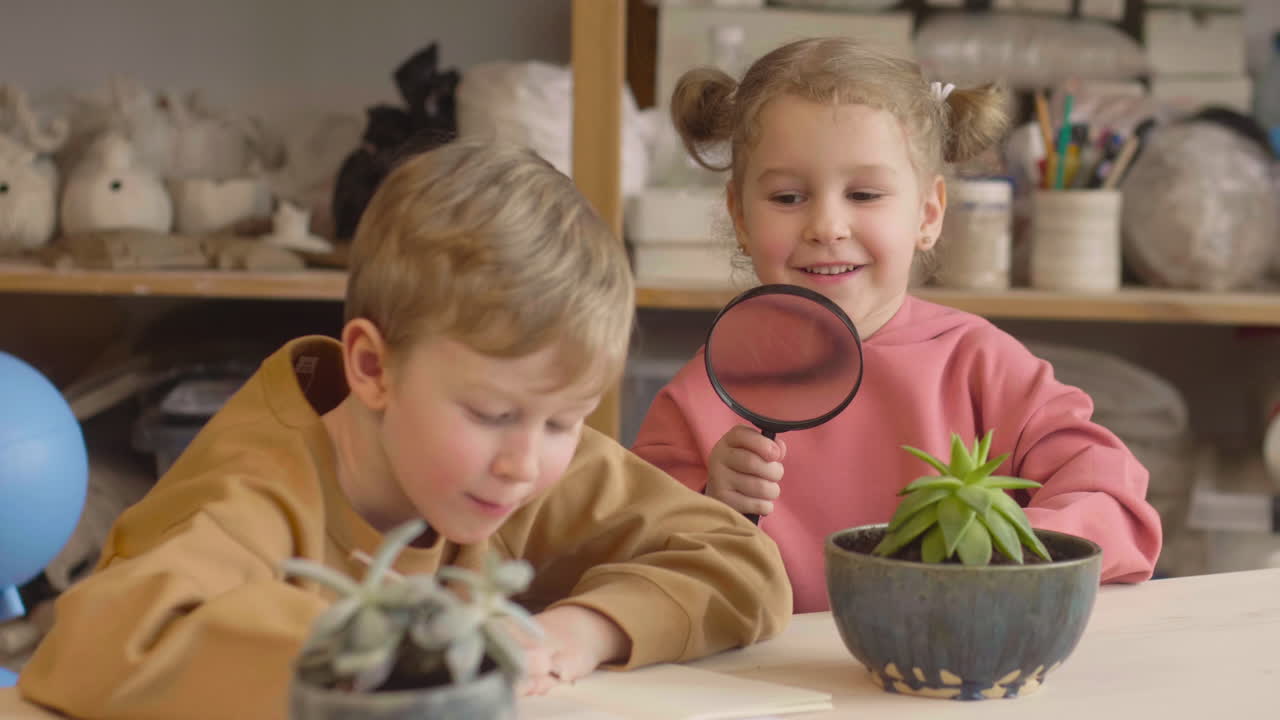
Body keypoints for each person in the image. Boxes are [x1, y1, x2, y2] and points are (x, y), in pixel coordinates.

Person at [18, 140, 792, 719]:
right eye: (491, 416)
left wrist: (581, 630)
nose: (526, 462)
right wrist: (403, 645)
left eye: (567, 420)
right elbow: (98, 639)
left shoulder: (521, 451)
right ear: (372, 368)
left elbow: (740, 559)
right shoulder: (257, 486)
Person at [631, 37, 1163, 613]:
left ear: (928, 215)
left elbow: (1113, 501)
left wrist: (1005, 556)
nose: (827, 225)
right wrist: (712, 504)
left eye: (864, 194)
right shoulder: (700, 398)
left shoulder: (983, 366)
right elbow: (633, 557)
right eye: (788, 196)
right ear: (740, 215)